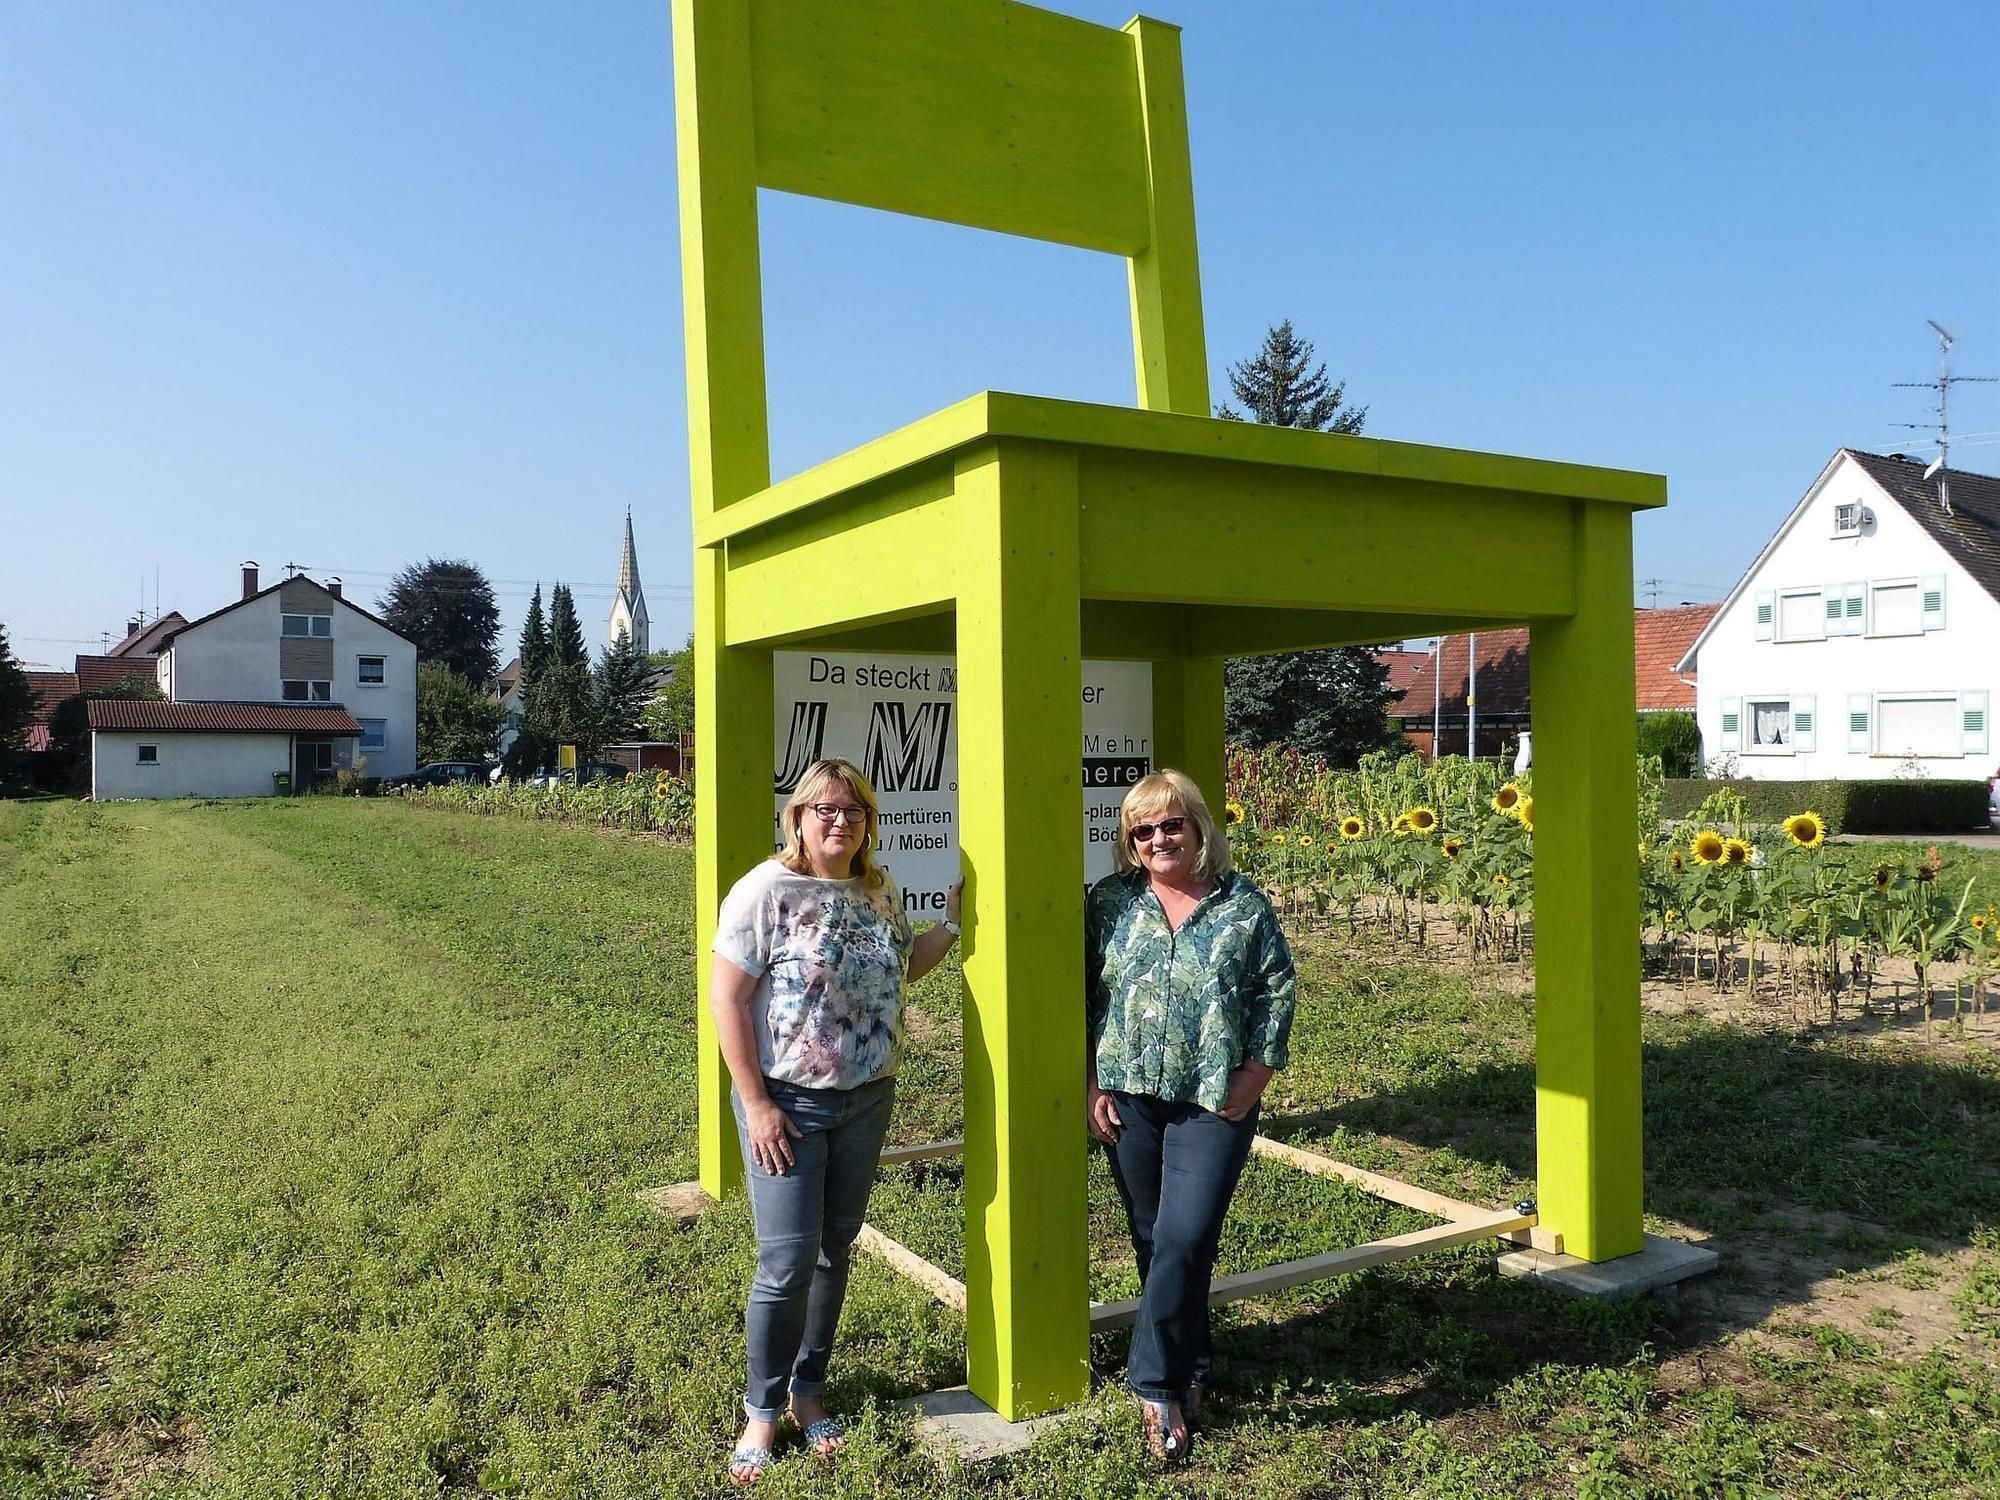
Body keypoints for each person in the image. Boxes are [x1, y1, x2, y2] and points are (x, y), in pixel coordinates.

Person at [709, 757, 962, 1485]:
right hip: (787, 1104)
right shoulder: (767, 890)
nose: (839, 821)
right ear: (798, 818)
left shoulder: (876, 889)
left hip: (866, 1099)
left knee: (834, 1250)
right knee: (785, 1264)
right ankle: (762, 1408)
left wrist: (951, 922)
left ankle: (808, 1392)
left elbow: (901, 966)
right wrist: (754, 1102)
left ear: (868, 822)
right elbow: (726, 998)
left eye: (853, 811)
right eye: (824, 809)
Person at [1084, 768, 1296, 1465]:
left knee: (1184, 1235)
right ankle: (1193, 1364)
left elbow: (1273, 990)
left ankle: (1152, 1386)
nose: (1157, 838)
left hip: (1214, 1098)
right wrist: (1092, 1081)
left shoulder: (1244, 906)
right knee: (1156, 1241)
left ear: (1199, 826)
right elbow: (1086, 995)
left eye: (1170, 823)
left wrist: (1257, 1072)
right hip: (1131, 1095)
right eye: (1141, 830)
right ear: (1129, 841)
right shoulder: (1110, 904)